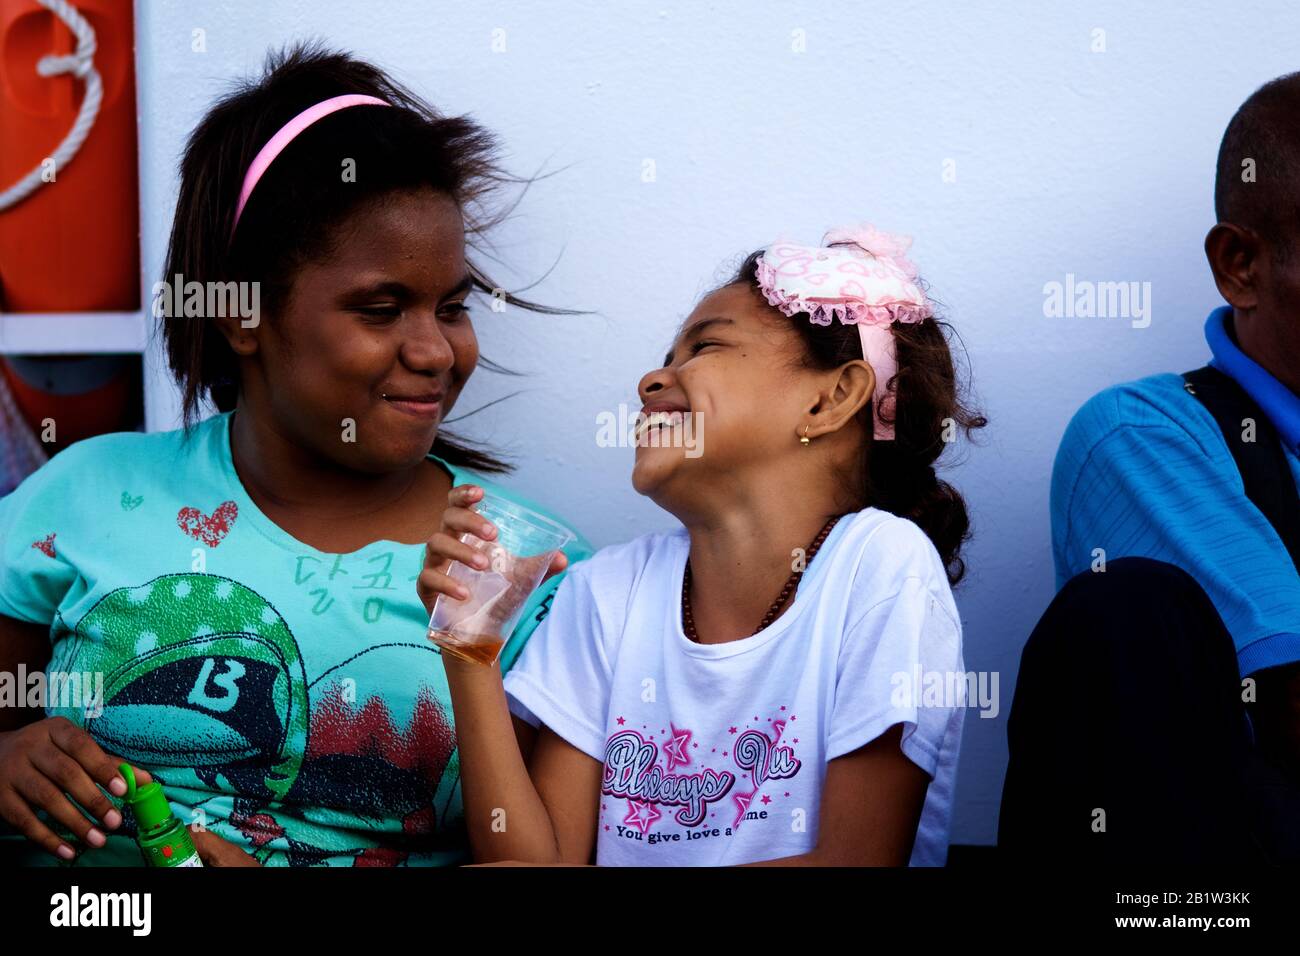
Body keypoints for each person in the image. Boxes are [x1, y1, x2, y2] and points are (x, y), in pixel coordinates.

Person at [0, 43, 591, 867]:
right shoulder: (87, 496)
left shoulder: (530, 568)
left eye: (451, 306)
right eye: (382, 309)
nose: (436, 351)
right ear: (243, 315)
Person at [419, 224, 986, 865]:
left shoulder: (881, 567)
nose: (651, 380)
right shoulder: (602, 591)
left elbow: (855, 861)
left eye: (705, 346)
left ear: (832, 398)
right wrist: (471, 651)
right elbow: (535, 861)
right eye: (668, 354)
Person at [1000, 73, 1300, 865]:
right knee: (1127, 603)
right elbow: (1288, 706)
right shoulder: (1146, 435)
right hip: (1213, 891)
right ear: (1241, 265)